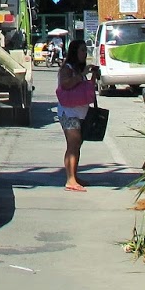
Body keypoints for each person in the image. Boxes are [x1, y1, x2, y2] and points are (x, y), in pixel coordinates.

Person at [56, 39, 97, 191]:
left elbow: (86, 89)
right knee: (73, 144)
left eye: (86, 51)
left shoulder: (78, 69)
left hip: (79, 112)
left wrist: (92, 76)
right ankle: (70, 179)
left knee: (77, 144)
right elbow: (65, 84)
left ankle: (74, 175)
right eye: (82, 50)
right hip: (69, 112)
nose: (85, 53)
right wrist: (82, 75)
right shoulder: (67, 68)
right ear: (75, 52)